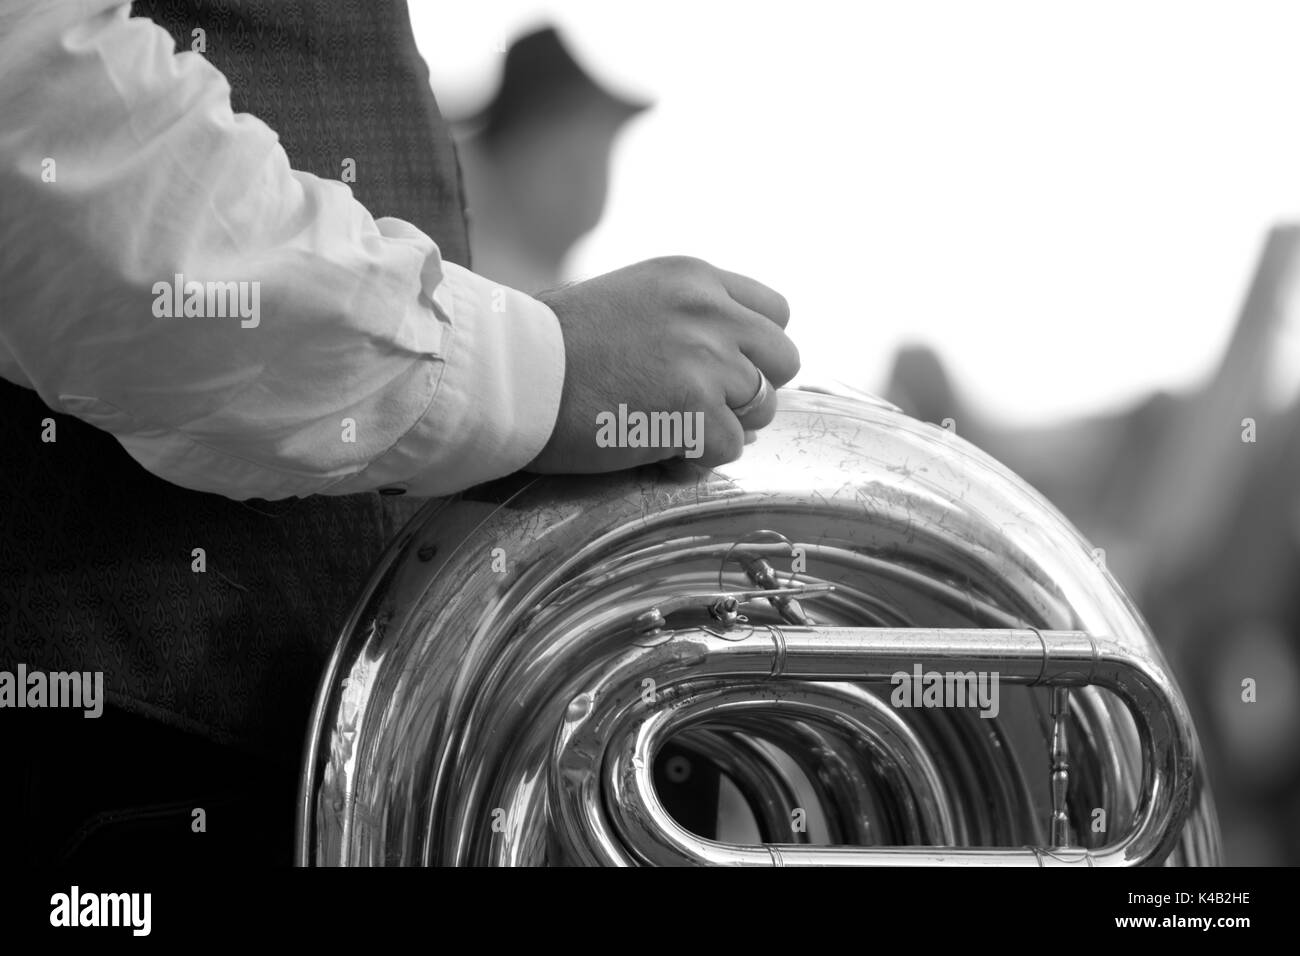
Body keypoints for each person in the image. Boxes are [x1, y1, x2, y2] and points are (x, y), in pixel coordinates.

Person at [0, 0, 798, 864]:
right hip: (124, 757)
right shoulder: (494, 273)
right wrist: (539, 367)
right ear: (515, 141)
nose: (590, 173)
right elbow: (39, 107)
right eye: (574, 141)